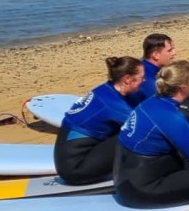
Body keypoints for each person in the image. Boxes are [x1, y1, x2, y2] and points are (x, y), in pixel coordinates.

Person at [114, 59, 189, 208]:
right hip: (144, 189)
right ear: (184, 86)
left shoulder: (152, 102)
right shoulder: (172, 116)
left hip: (126, 179)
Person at [53, 56, 143, 185]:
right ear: (127, 79)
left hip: (67, 158)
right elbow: (147, 126)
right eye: (141, 78)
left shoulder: (106, 89)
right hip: (75, 169)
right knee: (136, 133)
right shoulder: (112, 104)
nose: (144, 81)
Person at [128, 32, 189, 140]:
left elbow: (185, 80)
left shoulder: (158, 67)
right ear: (156, 55)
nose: (174, 53)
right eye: (170, 50)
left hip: (164, 111)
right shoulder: (147, 80)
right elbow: (167, 110)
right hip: (150, 124)